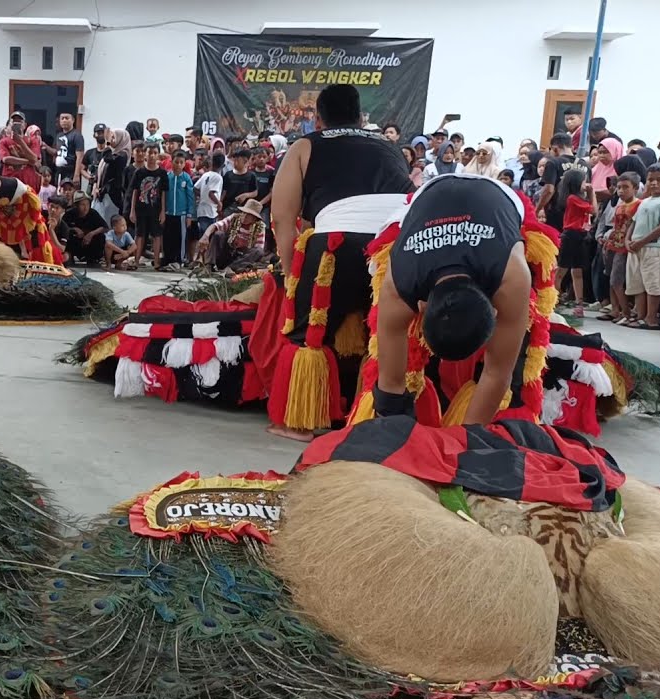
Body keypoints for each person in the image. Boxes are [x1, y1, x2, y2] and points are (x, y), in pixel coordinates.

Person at [252, 83, 415, 441]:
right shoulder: (389, 147)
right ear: (360, 117)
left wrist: (289, 269)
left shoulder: (305, 146)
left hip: (336, 243)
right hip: (397, 244)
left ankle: (300, 423)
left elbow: (282, 216)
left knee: (309, 333)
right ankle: (372, 418)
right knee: (385, 332)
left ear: (318, 118)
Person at [366, 174, 539, 427]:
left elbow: (498, 372)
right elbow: (389, 384)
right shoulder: (398, 283)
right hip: (430, 193)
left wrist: (465, 442)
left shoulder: (512, 277)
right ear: (420, 309)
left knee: (521, 354)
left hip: (501, 197)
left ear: (494, 310)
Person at [626, 164, 660, 329]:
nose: (654, 183)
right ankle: (640, 316)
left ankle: (651, 318)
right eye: (650, 180)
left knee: (653, 284)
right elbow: (633, 223)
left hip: (655, 248)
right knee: (637, 283)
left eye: (659, 180)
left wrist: (642, 241)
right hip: (636, 247)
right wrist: (628, 240)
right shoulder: (645, 201)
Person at [602, 172, 641, 324]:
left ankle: (627, 312)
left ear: (635, 188)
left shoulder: (638, 205)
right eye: (619, 187)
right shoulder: (619, 205)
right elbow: (615, 227)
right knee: (610, 277)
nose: (621, 191)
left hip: (624, 247)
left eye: (626, 187)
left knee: (616, 280)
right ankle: (615, 310)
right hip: (613, 244)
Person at [555, 169, 595, 317]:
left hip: (581, 235)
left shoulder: (579, 199)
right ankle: (554, 300)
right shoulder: (572, 198)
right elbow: (594, 210)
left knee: (577, 271)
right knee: (561, 270)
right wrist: (592, 193)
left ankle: (579, 303)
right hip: (571, 235)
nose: (586, 184)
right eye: (584, 181)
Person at [190, 199, 265, 271]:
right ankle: (209, 265)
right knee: (218, 234)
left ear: (254, 219)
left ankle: (232, 268)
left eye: (249, 215)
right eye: (244, 213)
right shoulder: (234, 218)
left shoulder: (260, 227)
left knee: (259, 251)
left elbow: (258, 249)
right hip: (227, 252)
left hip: (241, 259)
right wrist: (205, 236)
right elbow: (215, 225)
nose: (244, 216)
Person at [128, 141, 169, 269]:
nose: (152, 155)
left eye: (155, 153)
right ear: (145, 154)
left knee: (157, 235)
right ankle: (136, 260)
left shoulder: (162, 174)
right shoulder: (139, 172)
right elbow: (135, 192)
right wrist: (132, 210)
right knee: (139, 235)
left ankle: (156, 262)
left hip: (156, 209)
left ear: (158, 155)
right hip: (141, 209)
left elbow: (163, 194)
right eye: (149, 153)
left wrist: (163, 211)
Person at [538, 132, 589, 231]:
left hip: (557, 212)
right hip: (578, 214)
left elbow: (549, 190)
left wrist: (538, 209)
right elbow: (588, 189)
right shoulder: (585, 165)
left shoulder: (553, 163)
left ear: (555, 148)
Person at [163, 150, 195, 269]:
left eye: (181, 162)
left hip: (181, 214)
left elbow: (190, 197)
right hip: (168, 212)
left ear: (184, 163)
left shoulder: (186, 178)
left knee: (180, 238)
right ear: (172, 162)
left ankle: (180, 259)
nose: (178, 165)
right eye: (176, 162)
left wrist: (189, 215)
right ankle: (167, 258)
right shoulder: (167, 177)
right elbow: (163, 195)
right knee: (168, 236)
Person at [93, 129, 130, 222]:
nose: (112, 140)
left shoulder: (123, 155)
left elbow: (108, 158)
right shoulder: (113, 152)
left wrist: (108, 143)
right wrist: (95, 185)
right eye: (111, 137)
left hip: (113, 194)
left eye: (114, 137)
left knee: (110, 222)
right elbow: (100, 171)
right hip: (102, 192)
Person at [62, 191, 108, 266]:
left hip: (89, 243)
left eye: (87, 204)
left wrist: (91, 234)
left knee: (101, 237)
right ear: (76, 205)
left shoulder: (93, 213)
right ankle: (69, 256)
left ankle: (93, 258)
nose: (85, 207)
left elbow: (104, 227)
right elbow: (62, 228)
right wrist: (74, 229)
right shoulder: (69, 214)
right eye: (82, 204)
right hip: (75, 242)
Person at [0, 112, 41, 191]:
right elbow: (6, 159)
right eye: (14, 122)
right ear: (9, 125)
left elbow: (34, 159)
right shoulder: (3, 141)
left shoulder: (32, 140)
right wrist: (28, 161)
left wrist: (20, 141)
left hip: (28, 182)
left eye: (19, 122)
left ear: (25, 125)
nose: (16, 123)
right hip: (10, 182)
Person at [194, 152, 225, 235]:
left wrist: (202, 195)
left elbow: (195, 188)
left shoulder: (205, 175)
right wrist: (219, 203)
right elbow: (211, 194)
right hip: (210, 212)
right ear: (222, 165)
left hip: (201, 211)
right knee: (208, 235)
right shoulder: (218, 177)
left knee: (202, 234)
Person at [220, 148, 257, 215]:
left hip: (244, 209)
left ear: (245, 161)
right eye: (234, 160)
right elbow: (224, 191)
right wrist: (220, 203)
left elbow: (255, 192)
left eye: (238, 161)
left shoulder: (251, 176)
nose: (235, 163)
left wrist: (245, 195)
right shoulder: (228, 175)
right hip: (228, 207)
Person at [54, 112, 85, 187]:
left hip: (70, 172)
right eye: (62, 118)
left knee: (69, 195)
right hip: (59, 171)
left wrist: (76, 175)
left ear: (73, 120)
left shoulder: (77, 135)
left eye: (67, 118)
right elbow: (57, 152)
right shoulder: (59, 135)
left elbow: (80, 156)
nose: (64, 120)